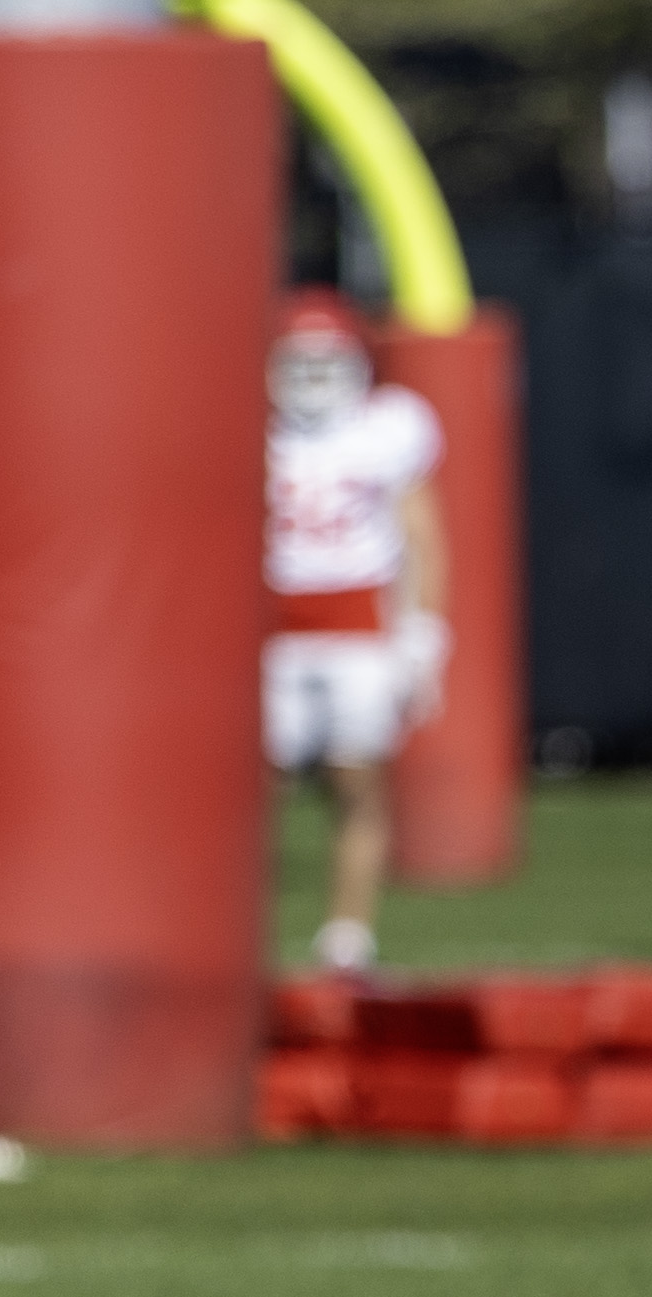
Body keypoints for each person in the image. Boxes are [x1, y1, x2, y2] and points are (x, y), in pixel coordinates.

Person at [262, 287, 448, 973]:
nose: (311, 383)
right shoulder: (252, 430)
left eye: (325, 366)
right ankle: (243, 928)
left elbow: (424, 538)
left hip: (357, 626)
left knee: (355, 780)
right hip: (272, 632)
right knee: (255, 788)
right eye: (297, 366)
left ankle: (348, 937)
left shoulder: (387, 429)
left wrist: (423, 634)